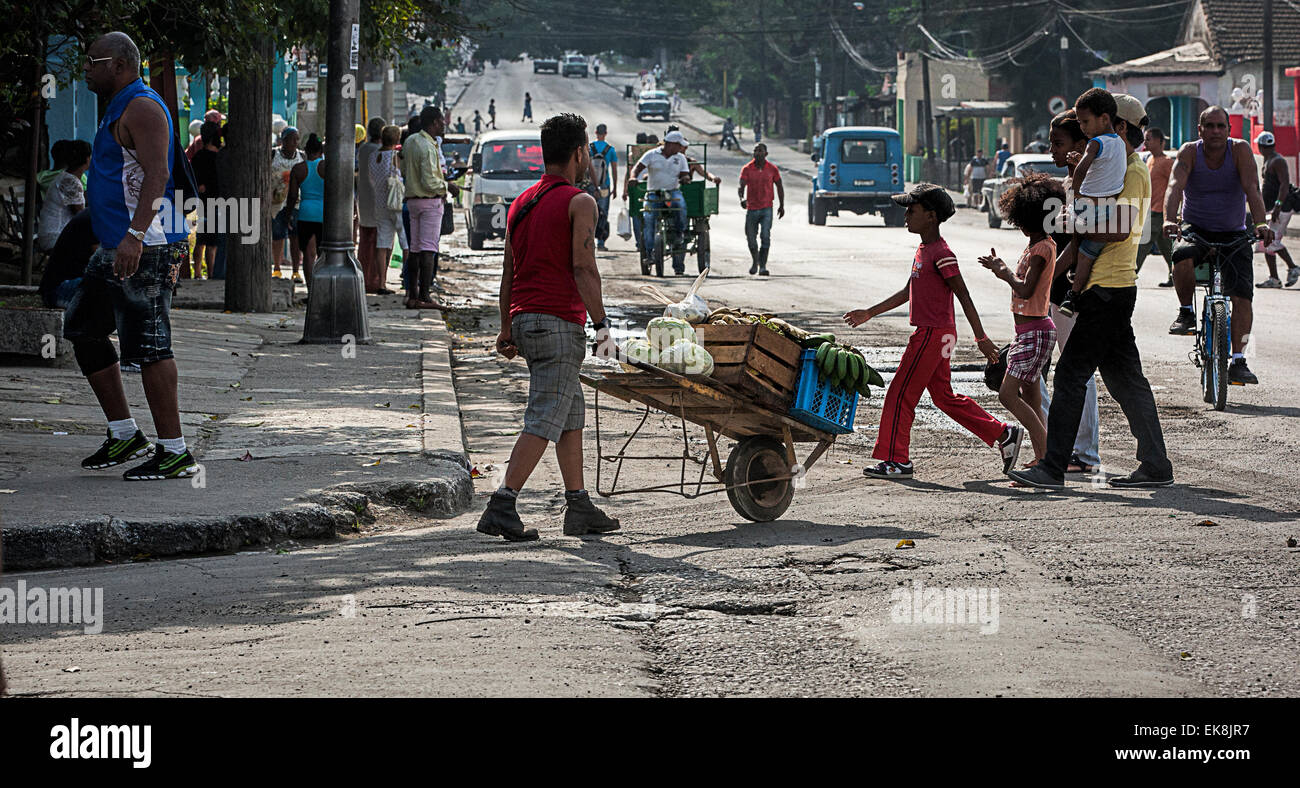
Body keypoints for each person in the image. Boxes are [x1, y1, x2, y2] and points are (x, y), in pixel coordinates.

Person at [1010, 94, 1174, 490]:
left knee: (1070, 375)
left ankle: (1053, 468)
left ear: (1118, 128)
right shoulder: (1114, 171)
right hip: (1107, 288)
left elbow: (1118, 230)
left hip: (1109, 287)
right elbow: (1079, 238)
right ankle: (1155, 464)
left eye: (1096, 126)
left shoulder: (1132, 172)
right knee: (1125, 380)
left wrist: (1077, 228)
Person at [478, 113, 621, 542]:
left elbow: (509, 271)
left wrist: (507, 326)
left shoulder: (523, 202)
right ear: (580, 153)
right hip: (558, 324)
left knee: (569, 412)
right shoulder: (581, 203)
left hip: (526, 319)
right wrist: (602, 327)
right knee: (544, 415)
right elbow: (584, 269)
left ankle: (578, 505)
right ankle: (502, 504)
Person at [66, 30, 198, 481]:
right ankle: (125, 433)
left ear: (118, 65)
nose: (85, 69)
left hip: (148, 245)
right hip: (117, 245)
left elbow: (159, 174)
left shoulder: (141, 106)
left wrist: (135, 235)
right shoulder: (118, 106)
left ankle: (175, 451)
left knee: (151, 345)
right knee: (83, 326)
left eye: (92, 61)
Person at [843, 184, 1022, 480]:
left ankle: (897, 460)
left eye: (911, 211)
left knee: (900, 394)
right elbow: (908, 290)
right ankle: (1003, 434)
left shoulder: (942, 253)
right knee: (943, 396)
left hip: (932, 335)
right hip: (939, 334)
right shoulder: (924, 249)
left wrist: (981, 338)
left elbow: (963, 295)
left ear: (931, 216)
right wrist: (869, 313)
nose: (906, 216)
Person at [1163, 105, 1272, 385]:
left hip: (1233, 232)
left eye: (1220, 126)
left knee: (1243, 296)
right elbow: (1174, 187)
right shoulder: (1189, 152)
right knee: (1182, 255)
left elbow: (1252, 190)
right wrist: (1168, 220)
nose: (1215, 131)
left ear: (1229, 130)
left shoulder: (1240, 150)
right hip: (1195, 229)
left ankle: (1238, 360)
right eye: (1209, 126)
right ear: (1200, 130)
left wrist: (1260, 225)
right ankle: (1186, 312)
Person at [978, 172, 1064, 466]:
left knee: (1007, 395)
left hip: (1034, 333)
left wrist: (1003, 272)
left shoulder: (1041, 248)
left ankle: (1048, 457)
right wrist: (999, 268)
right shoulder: (1039, 244)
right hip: (1030, 332)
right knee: (1032, 398)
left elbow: (1025, 289)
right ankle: (1042, 459)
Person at [1043, 108, 1102, 475]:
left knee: (1077, 371)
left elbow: (1081, 243)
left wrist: (1050, 275)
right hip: (1055, 291)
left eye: (1059, 142)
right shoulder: (1064, 186)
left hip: (1072, 292)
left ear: (1080, 144)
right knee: (1036, 370)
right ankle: (1061, 442)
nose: (1052, 149)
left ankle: (1084, 452)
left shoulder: (1088, 186)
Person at [1056, 88, 1129, 318]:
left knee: (1076, 234)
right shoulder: (1119, 143)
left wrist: (1076, 194)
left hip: (1088, 204)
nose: (1082, 127)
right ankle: (1073, 295)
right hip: (1108, 207)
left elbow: (1082, 169)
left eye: (1085, 122)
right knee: (1090, 251)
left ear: (1104, 118)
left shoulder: (1095, 143)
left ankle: (1072, 268)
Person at [400, 106, 451, 308]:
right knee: (428, 250)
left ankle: (412, 294)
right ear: (435, 123)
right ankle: (424, 296)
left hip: (412, 200)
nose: (444, 125)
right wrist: (448, 186)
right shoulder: (428, 146)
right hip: (430, 201)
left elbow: (404, 169)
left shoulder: (410, 141)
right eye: (442, 122)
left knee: (414, 249)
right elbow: (430, 181)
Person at [627, 130, 692, 274]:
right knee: (649, 219)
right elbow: (637, 168)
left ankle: (679, 234)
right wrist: (633, 178)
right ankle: (649, 253)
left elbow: (684, 174)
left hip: (672, 192)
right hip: (653, 193)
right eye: (679, 145)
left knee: (681, 207)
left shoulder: (680, 158)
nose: (681, 148)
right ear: (671, 144)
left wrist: (686, 179)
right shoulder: (651, 154)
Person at [1255, 130, 1300, 288]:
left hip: (1281, 208)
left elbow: (1284, 185)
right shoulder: (1269, 160)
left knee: (1272, 242)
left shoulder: (1277, 161)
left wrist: (1277, 206)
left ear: (1261, 146)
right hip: (1271, 208)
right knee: (1266, 243)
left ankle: (1293, 267)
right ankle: (1274, 278)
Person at [285, 133, 326, 290]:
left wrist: (288, 215)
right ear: (321, 151)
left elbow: (293, 195)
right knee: (324, 254)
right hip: (324, 213)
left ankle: (311, 290)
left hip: (305, 212)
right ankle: (322, 288)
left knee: (308, 255)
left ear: (306, 151)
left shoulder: (298, 169)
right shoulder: (326, 167)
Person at [1136, 127, 1176, 287]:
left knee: (1143, 243)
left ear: (1160, 142)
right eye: (1145, 139)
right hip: (1151, 209)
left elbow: (1175, 186)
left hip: (1159, 211)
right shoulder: (1150, 160)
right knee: (1167, 248)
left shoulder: (1167, 162)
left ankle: (1129, 276)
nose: (1146, 142)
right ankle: (1176, 274)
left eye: (1149, 139)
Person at [738, 142, 784, 276]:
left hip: (766, 208)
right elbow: (741, 186)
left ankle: (762, 266)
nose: (757, 153)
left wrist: (781, 205)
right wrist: (741, 198)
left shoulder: (772, 169)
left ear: (766, 154)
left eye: (760, 151)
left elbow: (779, 186)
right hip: (752, 208)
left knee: (765, 236)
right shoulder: (747, 169)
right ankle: (755, 261)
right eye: (755, 151)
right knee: (751, 238)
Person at [37, 139, 90, 252]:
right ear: (87, 159)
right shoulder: (70, 181)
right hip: (55, 237)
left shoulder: (66, 177)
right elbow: (81, 216)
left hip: (54, 234)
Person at [371, 124, 407, 287]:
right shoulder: (395, 156)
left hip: (380, 203)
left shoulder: (374, 156)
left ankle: (382, 282)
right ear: (397, 139)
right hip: (396, 203)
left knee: (382, 244)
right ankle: (407, 280)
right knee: (405, 243)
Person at [38, 209, 97, 309]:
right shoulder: (97, 220)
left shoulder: (98, 215)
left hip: (73, 283)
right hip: (59, 290)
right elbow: (108, 262)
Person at [188, 119, 222, 280]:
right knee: (212, 242)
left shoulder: (198, 157)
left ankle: (196, 272)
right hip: (217, 202)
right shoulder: (220, 157)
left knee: (201, 239)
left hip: (202, 202)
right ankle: (210, 273)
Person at [356, 117, 387, 294]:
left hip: (363, 198)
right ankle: (374, 279)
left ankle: (363, 277)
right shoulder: (379, 151)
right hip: (377, 199)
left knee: (364, 240)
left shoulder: (363, 149)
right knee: (377, 241)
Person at [270, 127, 304, 281]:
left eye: (296, 139)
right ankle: (276, 268)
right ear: (283, 140)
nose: (294, 142)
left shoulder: (301, 156)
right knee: (277, 235)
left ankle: (296, 271)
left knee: (295, 237)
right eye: (291, 139)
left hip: (296, 203)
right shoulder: (273, 154)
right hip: (276, 204)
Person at [588, 123, 619, 251]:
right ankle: (601, 241)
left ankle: (589, 240)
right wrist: (615, 187)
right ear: (605, 134)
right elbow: (615, 170)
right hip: (605, 185)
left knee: (589, 212)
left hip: (590, 186)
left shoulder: (590, 148)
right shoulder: (610, 150)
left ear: (595, 132)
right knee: (603, 212)